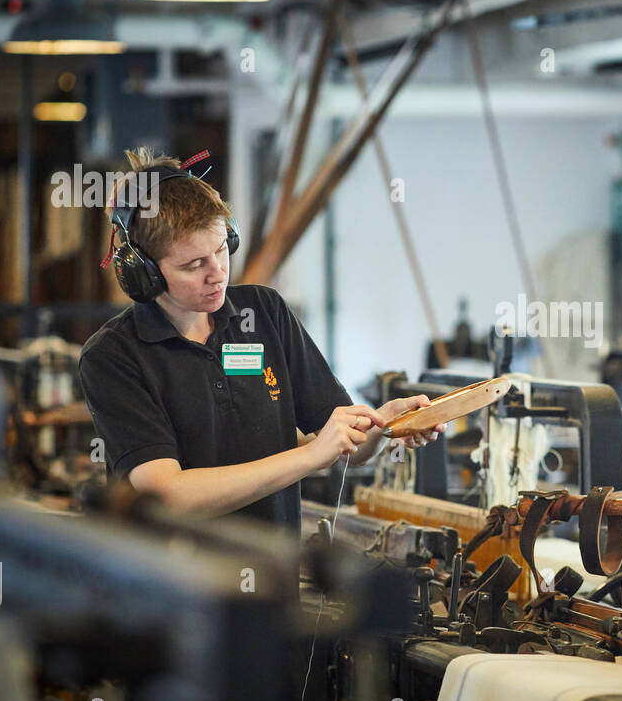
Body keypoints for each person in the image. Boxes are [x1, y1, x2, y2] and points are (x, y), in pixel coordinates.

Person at [77, 147, 443, 536]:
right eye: (193, 265)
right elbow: (169, 496)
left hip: (272, 582)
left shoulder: (264, 312)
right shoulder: (112, 357)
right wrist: (310, 458)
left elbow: (342, 444)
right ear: (143, 272)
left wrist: (384, 426)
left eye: (221, 250)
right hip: (175, 589)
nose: (217, 273)